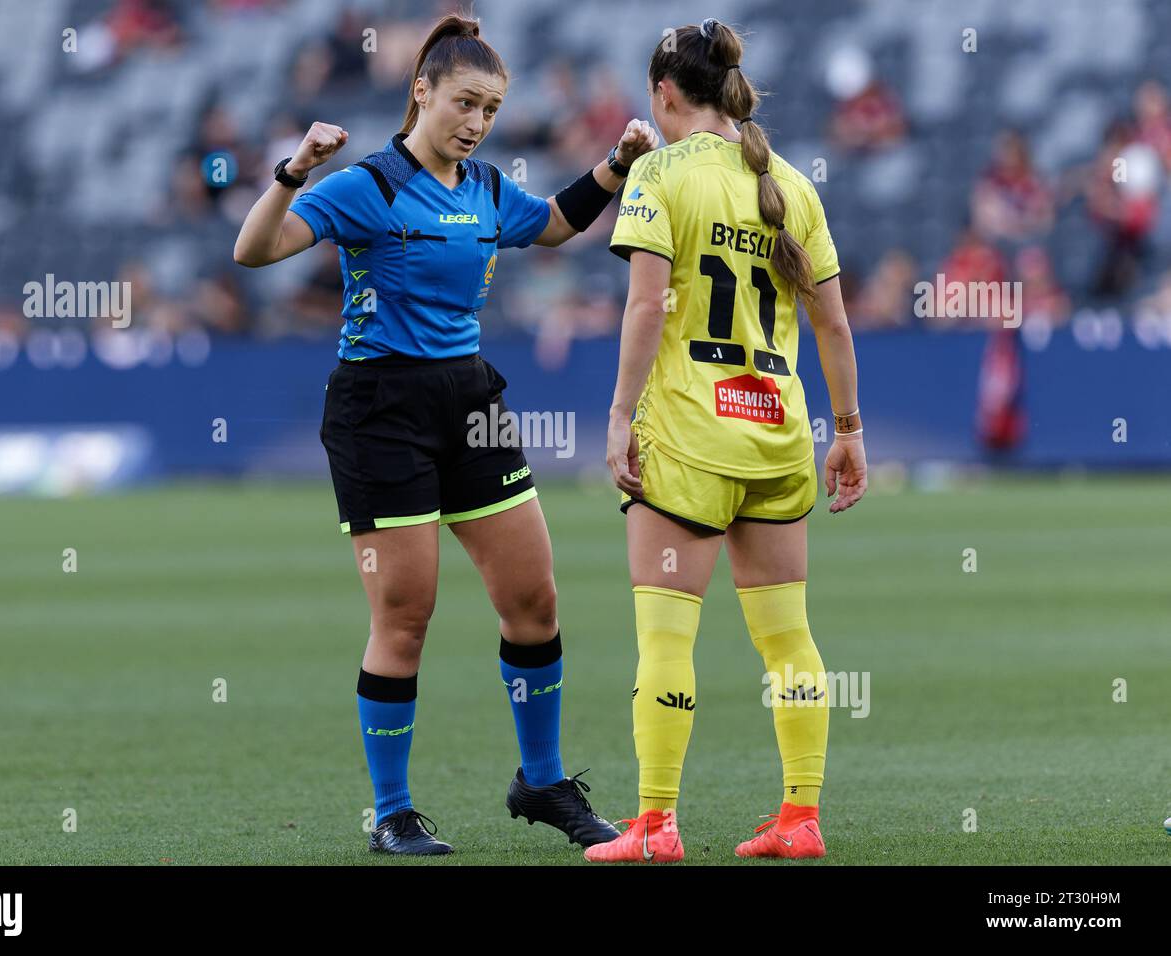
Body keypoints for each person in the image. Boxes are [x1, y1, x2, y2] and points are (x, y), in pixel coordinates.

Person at [233, 13, 659, 856]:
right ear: (421, 91)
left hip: (469, 398)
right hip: (378, 409)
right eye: (464, 101)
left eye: (491, 109)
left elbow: (553, 224)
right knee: (406, 613)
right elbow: (255, 250)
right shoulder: (368, 185)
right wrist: (292, 171)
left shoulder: (487, 189)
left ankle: (541, 781)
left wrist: (617, 163)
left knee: (534, 599)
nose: (476, 122)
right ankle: (391, 813)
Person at [586, 18, 867, 864]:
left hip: (689, 441)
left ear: (663, 94)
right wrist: (848, 430)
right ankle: (800, 817)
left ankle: (655, 826)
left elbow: (645, 307)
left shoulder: (658, 176)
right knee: (789, 638)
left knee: (668, 638)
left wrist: (617, 417)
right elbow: (835, 325)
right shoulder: (789, 185)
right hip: (777, 436)